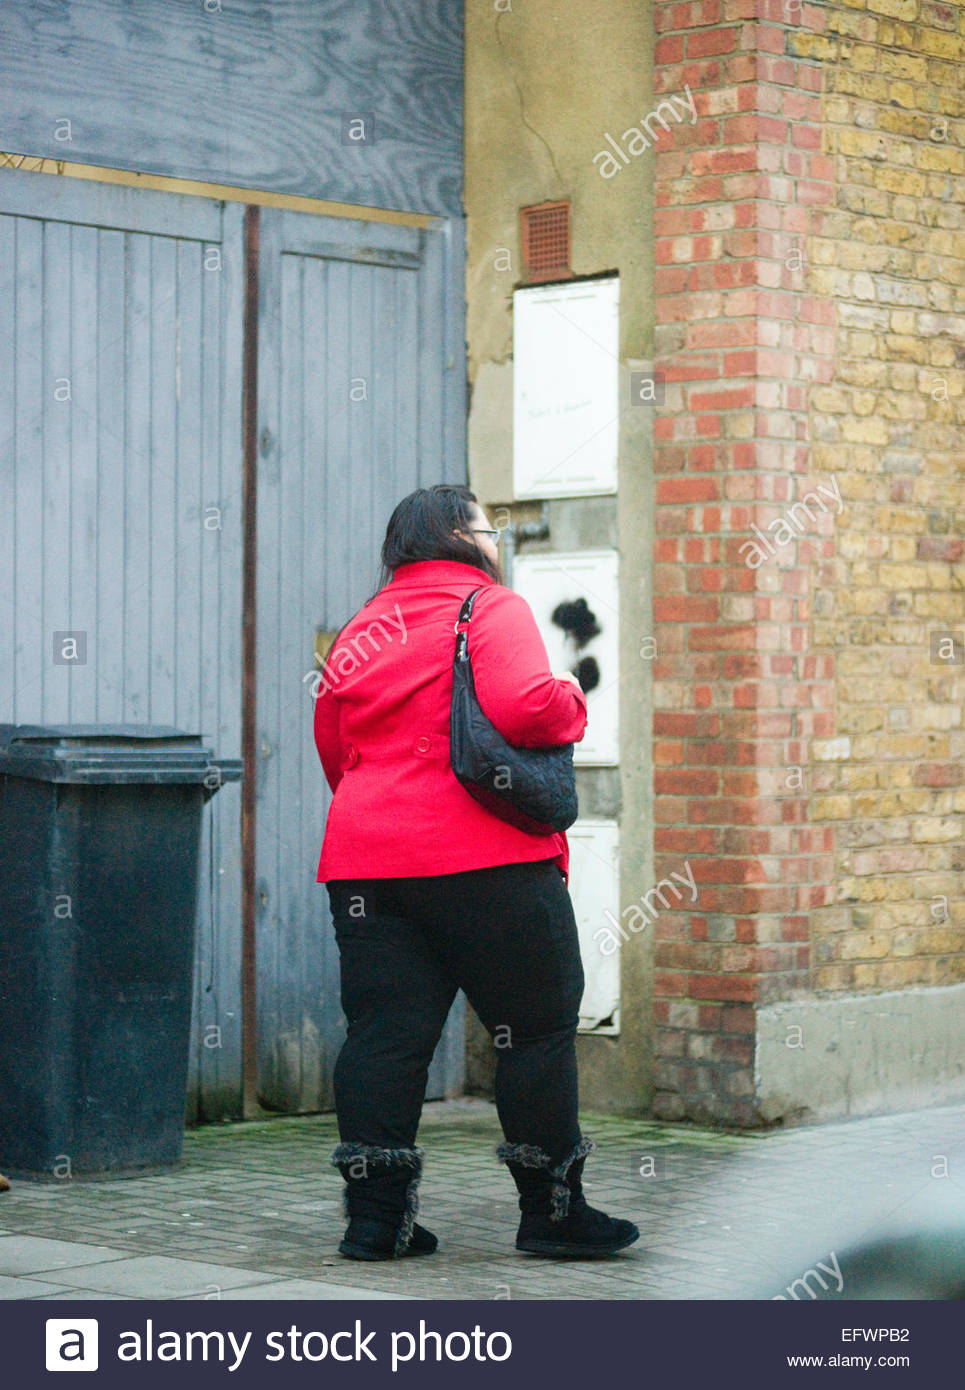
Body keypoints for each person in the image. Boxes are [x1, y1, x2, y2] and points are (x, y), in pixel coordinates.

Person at [312, 483, 639, 1262]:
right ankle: (553, 1215)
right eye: (486, 528)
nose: (493, 541)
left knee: (384, 1038)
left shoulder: (362, 625)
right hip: (487, 862)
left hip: (367, 866)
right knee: (532, 1032)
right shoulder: (489, 607)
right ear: (463, 536)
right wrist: (569, 696)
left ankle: (375, 1222)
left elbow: (333, 743)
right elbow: (528, 706)